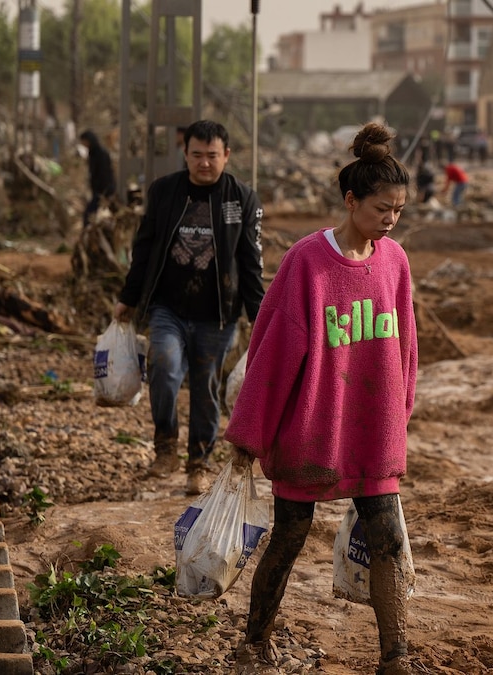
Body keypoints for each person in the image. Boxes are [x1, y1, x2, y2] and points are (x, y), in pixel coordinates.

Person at [225, 122, 418, 675]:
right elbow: (272, 354)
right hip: (312, 428)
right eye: (382, 208)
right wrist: (248, 437)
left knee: (387, 535)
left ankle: (395, 654)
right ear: (351, 200)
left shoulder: (395, 262)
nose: (390, 219)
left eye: (399, 210)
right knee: (289, 535)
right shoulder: (307, 263)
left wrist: (400, 412)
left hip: (371, 427)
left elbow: (406, 344)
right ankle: (254, 641)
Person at [114, 119, 265, 495]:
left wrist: (259, 316)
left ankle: (198, 462)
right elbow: (144, 249)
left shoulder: (241, 199)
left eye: (212, 156)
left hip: (217, 314)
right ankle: (165, 445)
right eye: (196, 155)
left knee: (205, 387)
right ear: (185, 154)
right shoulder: (165, 192)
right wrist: (129, 299)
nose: (204, 163)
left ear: (226, 156)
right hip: (168, 308)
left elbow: (250, 262)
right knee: (163, 367)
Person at [78, 130, 117, 228]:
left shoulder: (101, 153)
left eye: (84, 142)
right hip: (98, 190)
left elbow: (104, 173)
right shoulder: (92, 153)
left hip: (104, 190)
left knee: (90, 213)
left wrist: (102, 191)